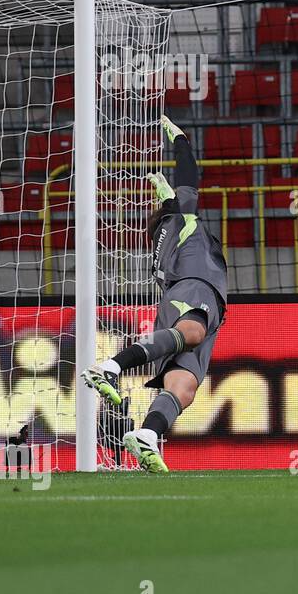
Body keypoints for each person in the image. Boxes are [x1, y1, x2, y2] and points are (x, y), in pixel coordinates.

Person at [80, 115, 228, 472]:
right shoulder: (184, 220)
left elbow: (171, 199)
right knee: (191, 334)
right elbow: (188, 177)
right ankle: (111, 367)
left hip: (178, 300)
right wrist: (180, 140)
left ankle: (146, 435)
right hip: (196, 287)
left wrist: (164, 196)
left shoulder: (164, 238)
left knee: (184, 387)